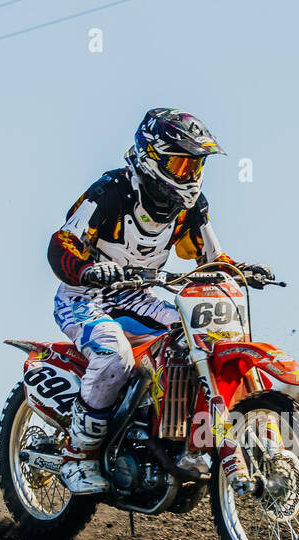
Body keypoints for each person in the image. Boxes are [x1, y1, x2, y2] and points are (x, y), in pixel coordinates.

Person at [46, 108, 273, 494]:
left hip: (139, 297)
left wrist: (240, 270)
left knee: (200, 337)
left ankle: (183, 434)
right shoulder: (111, 191)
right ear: (151, 158)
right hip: (85, 298)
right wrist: (86, 270)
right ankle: (77, 454)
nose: (189, 175)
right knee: (113, 354)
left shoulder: (191, 207)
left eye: (195, 165)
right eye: (180, 164)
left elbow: (211, 259)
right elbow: (62, 243)